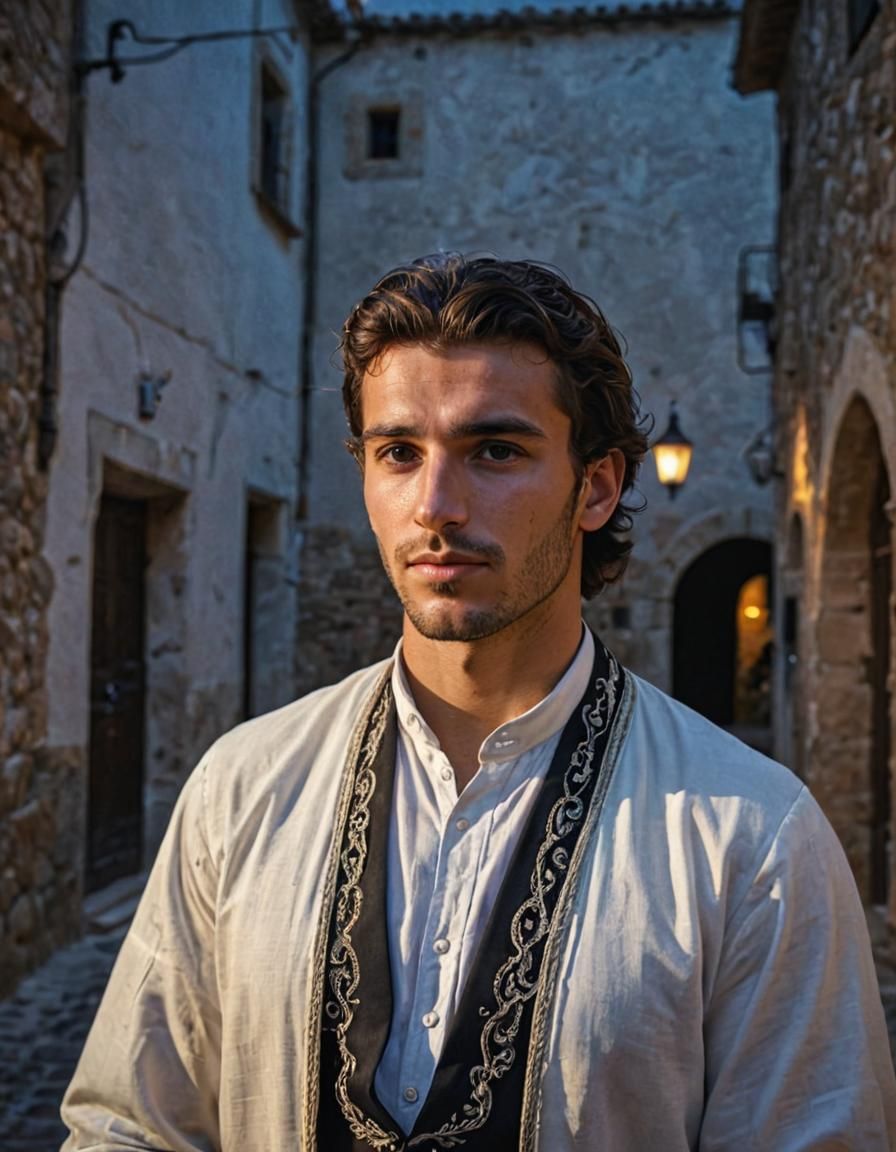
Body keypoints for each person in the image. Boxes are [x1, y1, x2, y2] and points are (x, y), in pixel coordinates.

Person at [61, 255, 896, 1151]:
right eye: (398, 453)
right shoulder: (242, 789)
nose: (437, 505)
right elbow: (129, 1125)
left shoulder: (752, 839)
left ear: (598, 486)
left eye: (495, 451)